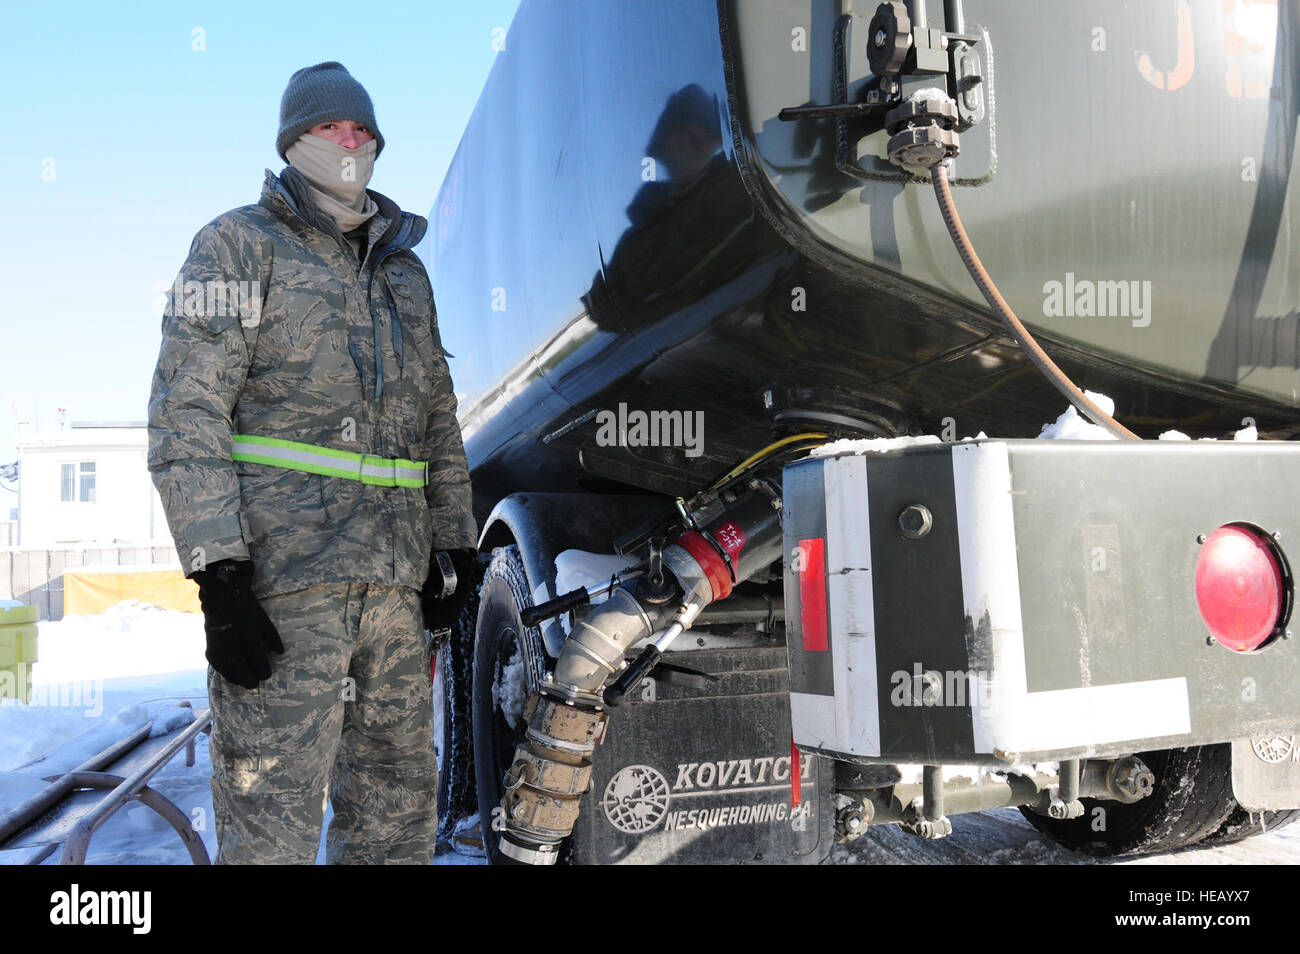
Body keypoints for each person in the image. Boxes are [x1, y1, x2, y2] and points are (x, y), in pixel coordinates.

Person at [147, 62, 478, 864]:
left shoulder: (406, 270)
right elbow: (186, 409)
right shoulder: (237, 244)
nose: (352, 141)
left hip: (394, 594)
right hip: (285, 586)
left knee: (398, 811)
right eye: (335, 128)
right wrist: (217, 574)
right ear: (295, 140)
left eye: (364, 130)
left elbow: (437, 416)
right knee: (272, 819)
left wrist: (454, 545)